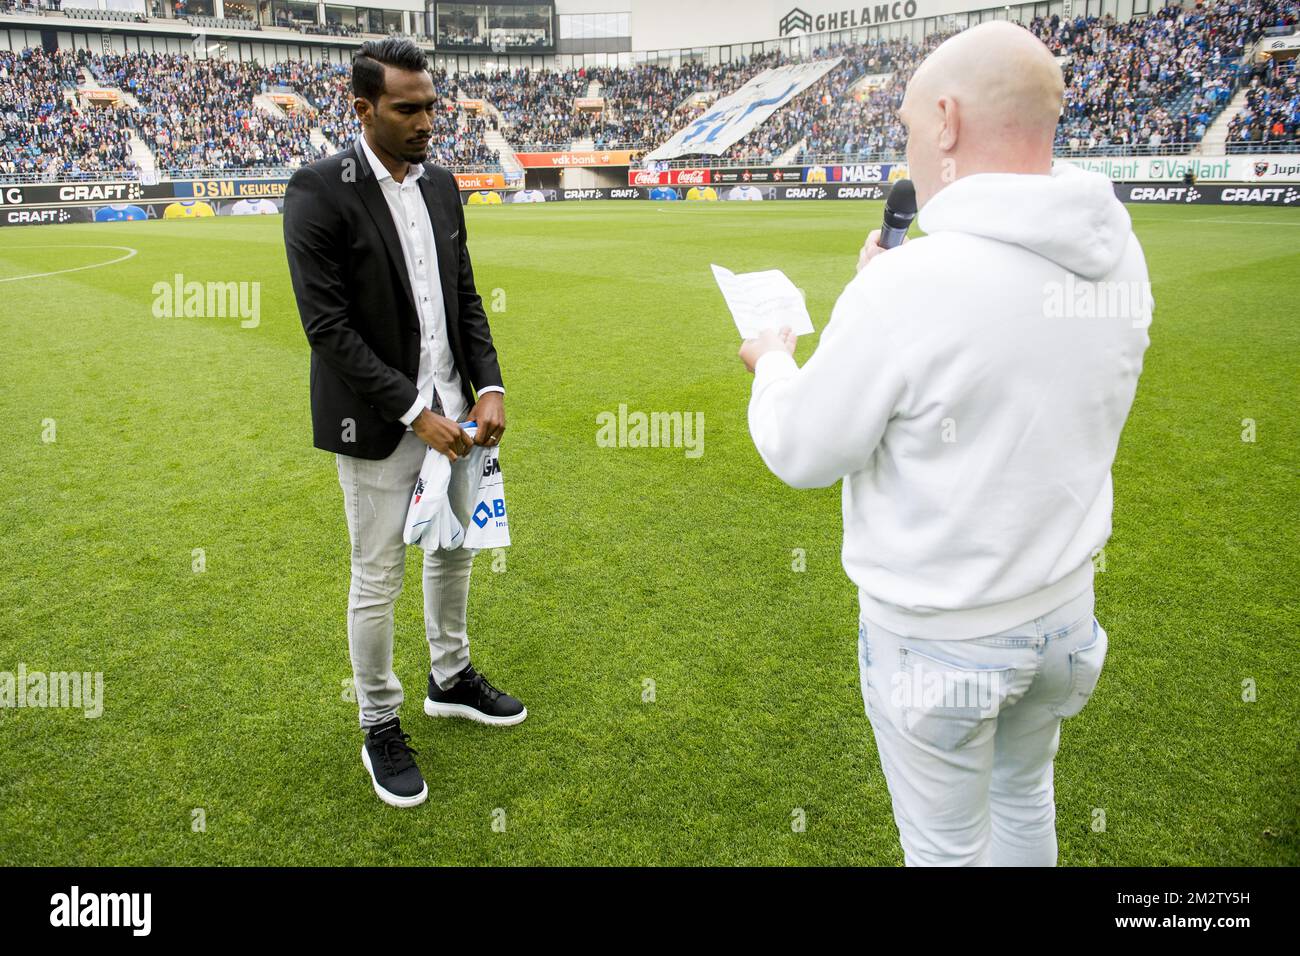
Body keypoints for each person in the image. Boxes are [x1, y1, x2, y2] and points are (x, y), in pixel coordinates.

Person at [738, 22, 1152, 865]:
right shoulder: (1118, 250)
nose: (909, 148)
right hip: (1065, 613)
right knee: (1025, 798)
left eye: (909, 126)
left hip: (941, 638)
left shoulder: (912, 284)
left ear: (949, 121)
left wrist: (774, 360)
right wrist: (878, 295)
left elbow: (802, 449)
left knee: (946, 849)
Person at [283, 38, 525, 810]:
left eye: (431, 105)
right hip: (383, 424)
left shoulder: (444, 186)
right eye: (408, 108)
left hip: (457, 413)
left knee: (454, 551)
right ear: (363, 109)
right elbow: (328, 328)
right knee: (378, 576)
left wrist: (487, 385)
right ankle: (379, 723)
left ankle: (449, 678)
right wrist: (416, 411)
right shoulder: (320, 188)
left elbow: (464, 295)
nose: (427, 120)